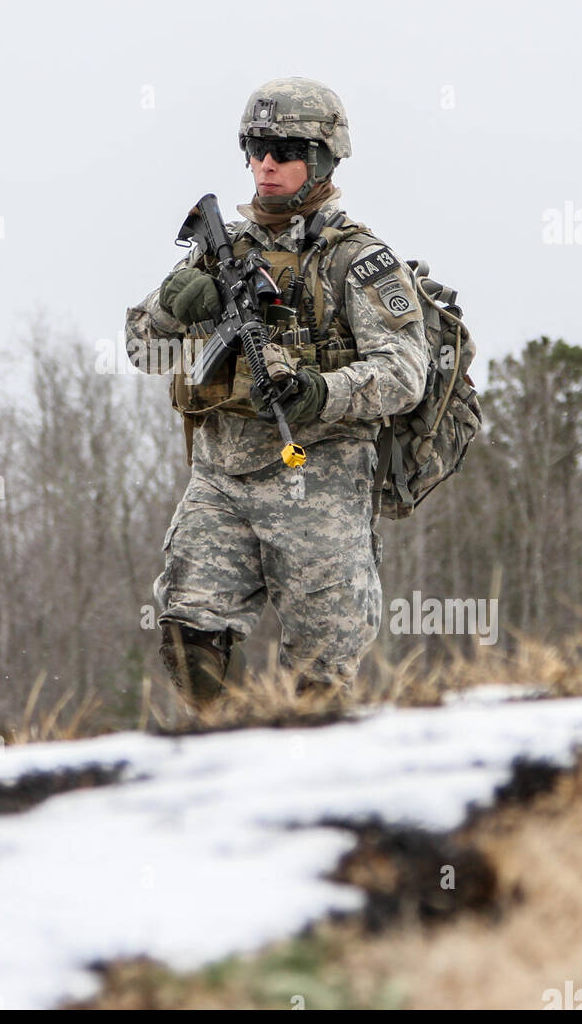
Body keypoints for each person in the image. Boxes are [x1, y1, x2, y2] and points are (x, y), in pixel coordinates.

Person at [125, 78, 430, 709]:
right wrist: (171, 308)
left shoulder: (355, 259)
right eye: (256, 148)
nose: (267, 163)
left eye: (287, 150)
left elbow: (405, 372)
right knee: (187, 635)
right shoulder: (219, 254)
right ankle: (228, 744)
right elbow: (141, 351)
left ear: (322, 160)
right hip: (222, 474)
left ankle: (301, 762)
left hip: (319, 479)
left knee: (318, 677)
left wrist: (321, 391)